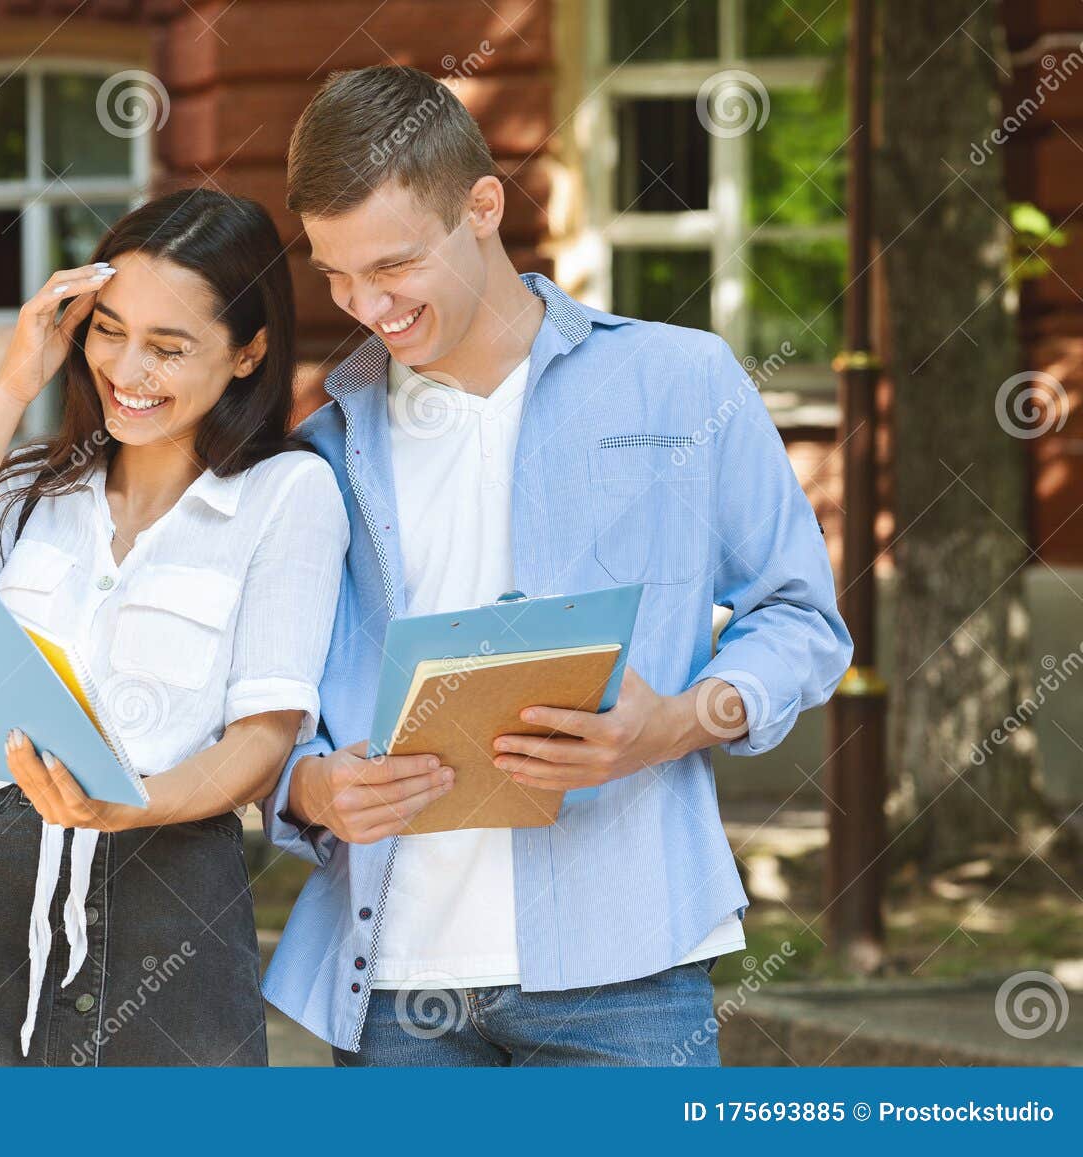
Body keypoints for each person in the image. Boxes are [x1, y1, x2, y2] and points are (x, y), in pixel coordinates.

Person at [261, 66, 853, 1066]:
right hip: (396, 982)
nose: (366, 304)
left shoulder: (680, 382)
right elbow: (273, 691)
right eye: (335, 274)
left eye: (393, 264)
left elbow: (801, 619)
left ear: (481, 207)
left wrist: (672, 721)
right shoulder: (321, 447)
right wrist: (309, 788)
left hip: (627, 962)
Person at [0, 188, 349, 1066]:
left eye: (169, 348)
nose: (128, 371)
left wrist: (129, 804)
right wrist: (14, 385)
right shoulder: (23, 491)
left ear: (249, 353)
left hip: (168, 888)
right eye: (109, 330)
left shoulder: (288, 496)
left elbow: (266, 735)